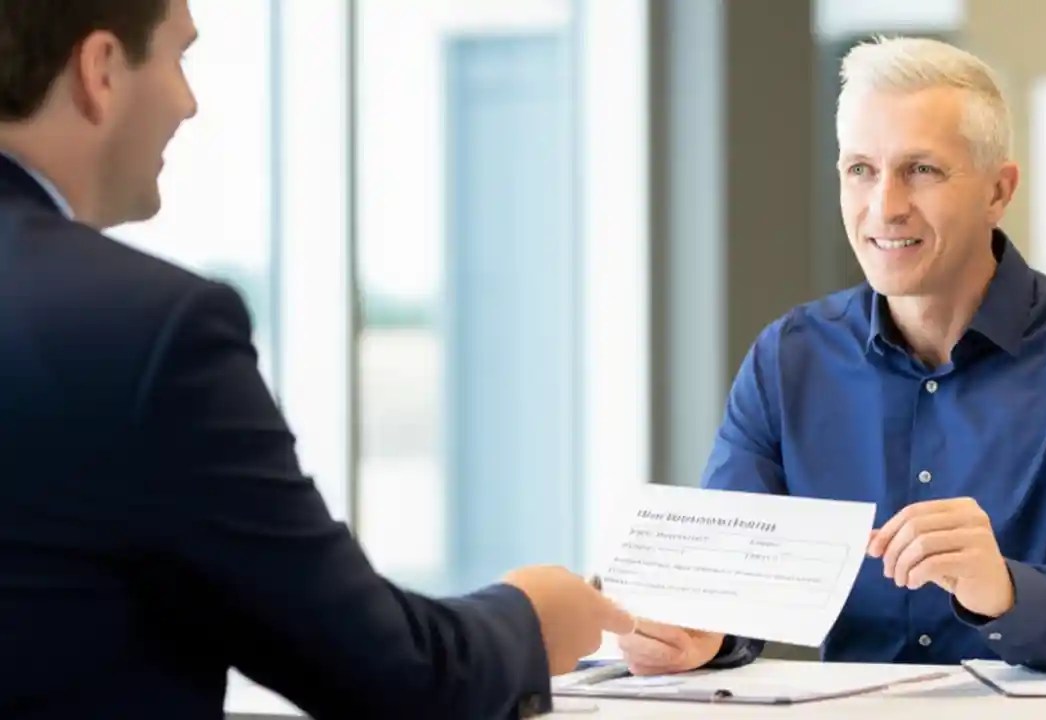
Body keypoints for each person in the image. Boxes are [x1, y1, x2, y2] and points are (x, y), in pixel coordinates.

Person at [0, 1, 631, 718]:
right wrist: (531, 619)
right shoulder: (146, 329)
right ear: (100, 71)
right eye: (179, 58)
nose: (189, 102)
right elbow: (386, 673)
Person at [619, 36, 1046, 676]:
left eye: (923, 170)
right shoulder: (788, 359)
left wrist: (1002, 591)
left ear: (998, 192)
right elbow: (726, 592)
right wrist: (698, 634)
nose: (884, 207)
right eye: (861, 169)